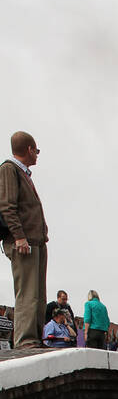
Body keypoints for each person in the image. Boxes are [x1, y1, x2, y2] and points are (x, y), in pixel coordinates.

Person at [0, 132, 48, 349]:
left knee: (38, 295)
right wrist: (19, 237)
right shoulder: (9, 169)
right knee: (27, 294)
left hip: (35, 241)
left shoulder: (23, 173)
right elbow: (7, 206)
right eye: (36, 150)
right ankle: (25, 341)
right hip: (23, 242)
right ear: (29, 149)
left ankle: (35, 338)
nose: (37, 155)